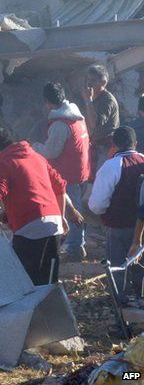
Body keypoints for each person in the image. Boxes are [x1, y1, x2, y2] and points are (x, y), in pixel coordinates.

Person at [0, 129, 70, 286]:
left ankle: (29, 310)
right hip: (54, 224)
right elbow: (59, 187)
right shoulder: (36, 157)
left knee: (22, 281)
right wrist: (61, 215)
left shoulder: (4, 162)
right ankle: (53, 309)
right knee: (49, 281)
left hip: (31, 228)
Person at [34, 82, 92, 261]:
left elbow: (51, 152)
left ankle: (75, 249)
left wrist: (34, 146)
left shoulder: (60, 124)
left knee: (72, 211)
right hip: (82, 171)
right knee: (76, 209)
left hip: (68, 175)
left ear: (47, 102)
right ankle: (77, 244)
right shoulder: (77, 116)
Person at [88, 126, 144, 296]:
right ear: (135, 143)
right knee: (140, 267)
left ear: (114, 144)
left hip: (119, 227)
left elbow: (97, 204)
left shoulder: (111, 166)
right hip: (141, 228)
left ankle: (122, 306)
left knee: (118, 269)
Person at [83, 64, 120, 170]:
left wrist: (88, 101)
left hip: (106, 148)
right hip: (95, 146)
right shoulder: (94, 99)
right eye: (88, 80)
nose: (89, 83)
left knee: (101, 177)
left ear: (103, 82)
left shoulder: (107, 101)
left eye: (93, 80)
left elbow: (95, 123)